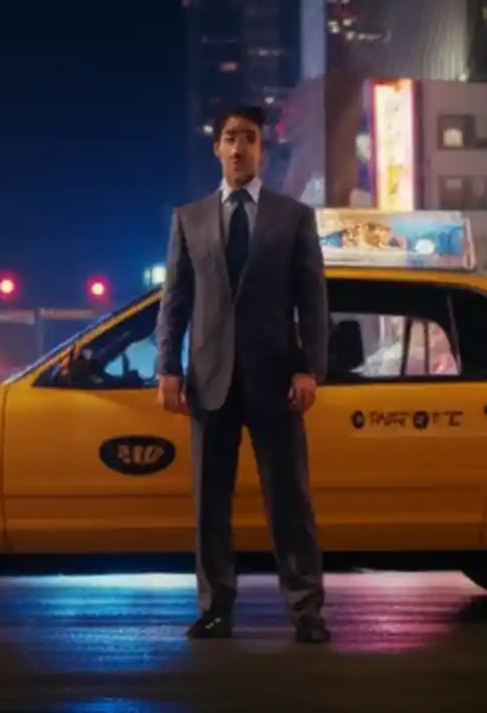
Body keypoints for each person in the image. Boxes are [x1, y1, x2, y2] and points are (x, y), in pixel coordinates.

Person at [155, 104, 330, 644]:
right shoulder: (189, 219)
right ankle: (214, 609)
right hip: (209, 381)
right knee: (210, 505)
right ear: (217, 147)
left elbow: (312, 301)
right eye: (230, 137)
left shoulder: (292, 217)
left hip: (277, 380)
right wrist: (167, 367)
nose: (238, 147)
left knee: (290, 502)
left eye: (249, 138)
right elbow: (174, 301)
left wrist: (309, 369)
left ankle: (306, 611)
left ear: (262, 149)